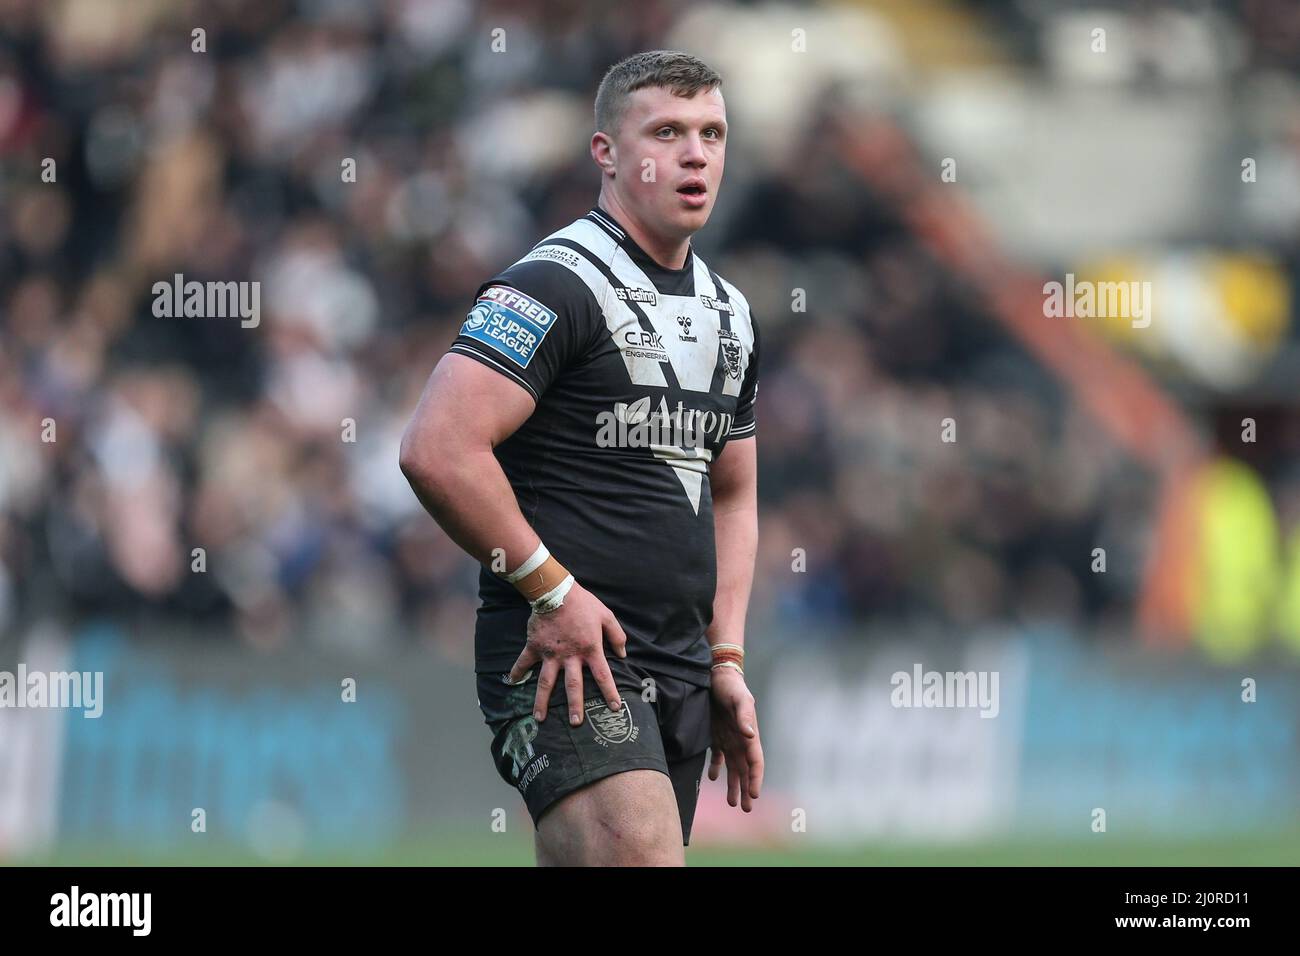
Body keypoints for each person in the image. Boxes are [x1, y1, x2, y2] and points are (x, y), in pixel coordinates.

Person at [400, 50, 762, 866]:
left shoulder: (732, 315)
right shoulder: (551, 285)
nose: (695, 153)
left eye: (711, 133)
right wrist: (551, 591)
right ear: (605, 153)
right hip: (562, 655)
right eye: (666, 132)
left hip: (678, 665)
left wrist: (726, 655)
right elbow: (437, 449)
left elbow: (733, 495)